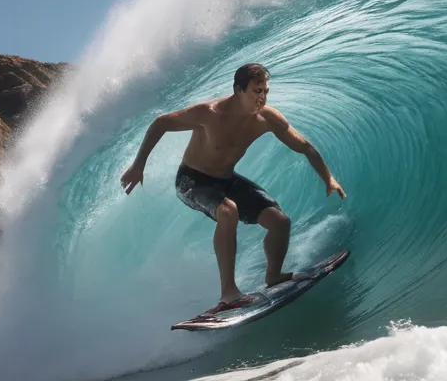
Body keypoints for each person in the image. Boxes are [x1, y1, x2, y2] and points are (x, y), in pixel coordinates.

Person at [120, 63, 346, 313]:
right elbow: (161, 122)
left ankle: (274, 276)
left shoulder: (267, 118)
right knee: (228, 212)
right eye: (256, 91)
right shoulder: (209, 113)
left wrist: (328, 177)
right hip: (192, 180)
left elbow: (304, 146)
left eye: (266, 91)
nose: (262, 97)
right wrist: (139, 165)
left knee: (280, 222)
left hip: (226, 179)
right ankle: (229, 294)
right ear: (238, 90)